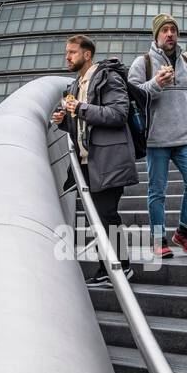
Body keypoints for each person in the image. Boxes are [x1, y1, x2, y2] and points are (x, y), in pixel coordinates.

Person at [51, 34, 138, 285]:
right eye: (67, 52)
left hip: (108, 159)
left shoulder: (107, 78)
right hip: (86, 162)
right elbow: (83, 126)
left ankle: (122, 266)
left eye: (72, 52)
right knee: (96, 218)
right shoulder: (75, 85)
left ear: (87, 55)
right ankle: (105, 267)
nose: (67, 57)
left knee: (106, 215)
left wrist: (80, 109)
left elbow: (118, 114)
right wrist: (64, 121)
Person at [127, 13, 187, 258]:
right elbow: (132, 95)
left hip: (185, 137)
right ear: (156, 35)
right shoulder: (142, 63)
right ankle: (158, 238)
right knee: (157, 191)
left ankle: (183, 231)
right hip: (156, 139)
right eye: (164, 30)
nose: (170, 34)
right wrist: (155, 84)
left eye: (173, 29)